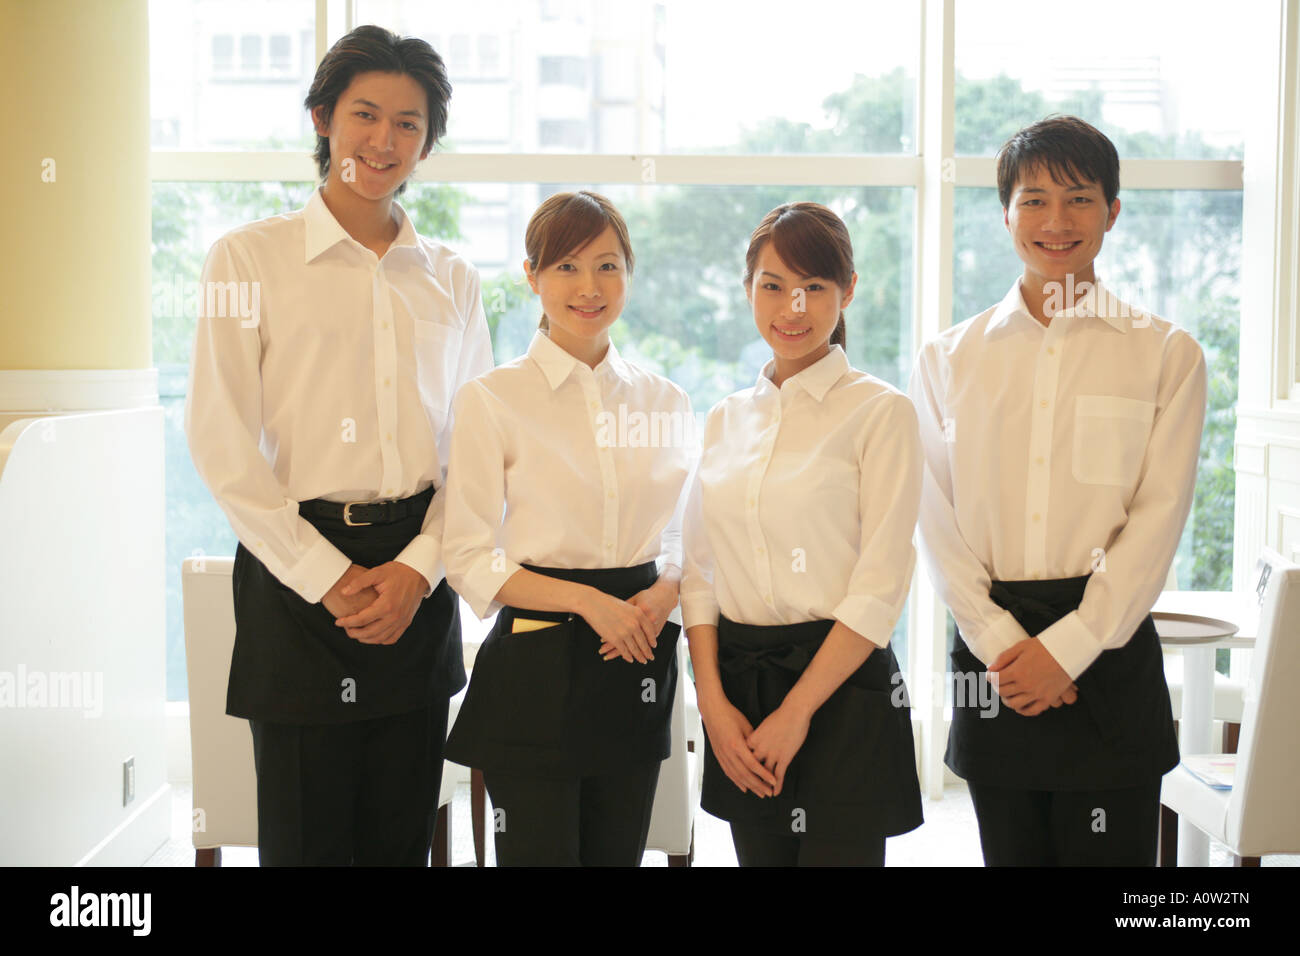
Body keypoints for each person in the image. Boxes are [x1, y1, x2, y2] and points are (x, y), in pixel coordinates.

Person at [184, 25, 493, 865]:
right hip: (296, 574)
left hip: (415, 581)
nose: (383, 140)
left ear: (427, 141)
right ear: (323, 118)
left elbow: (477, 447)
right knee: (306, 841)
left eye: (408, 122)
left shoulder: (453, 278)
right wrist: (329, 576)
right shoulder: (249, 257)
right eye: (365, 114)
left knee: (398, 837)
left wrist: (417, 570)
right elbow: (218, 437)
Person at [909, 115, 1207, 866]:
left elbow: (1157, 521)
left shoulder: (1167, 355)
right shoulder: (948, 359)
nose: (1056, 221)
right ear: (1005, 212)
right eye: (1034, 200)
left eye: (1078, 198)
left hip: (1109, 649)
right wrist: (1008, 647)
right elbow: (933, 520)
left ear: (1112, 210)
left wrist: (1067, 650)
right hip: (991, 654)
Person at [441, 191, 694, 866]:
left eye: (608, 267)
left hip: (636, 655)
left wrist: (667, 589)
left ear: (630, 274)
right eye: (566, 268)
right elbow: (466, 556)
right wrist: (587, 602)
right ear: (532, 276)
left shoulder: (664, 400)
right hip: (536, 665)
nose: (589, 288)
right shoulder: (492, 399)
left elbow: (685, 531)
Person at [680, 202, 923, 867]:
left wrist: (796, 713)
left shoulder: (882, 412)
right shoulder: (725, 418)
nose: (794, 306)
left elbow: (880, 587)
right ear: (748, 290)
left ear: (846, 292)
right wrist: (713, 706)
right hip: (740, 691)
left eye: (815, 286)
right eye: (773, 285)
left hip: (841, 690)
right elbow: (698, 575)